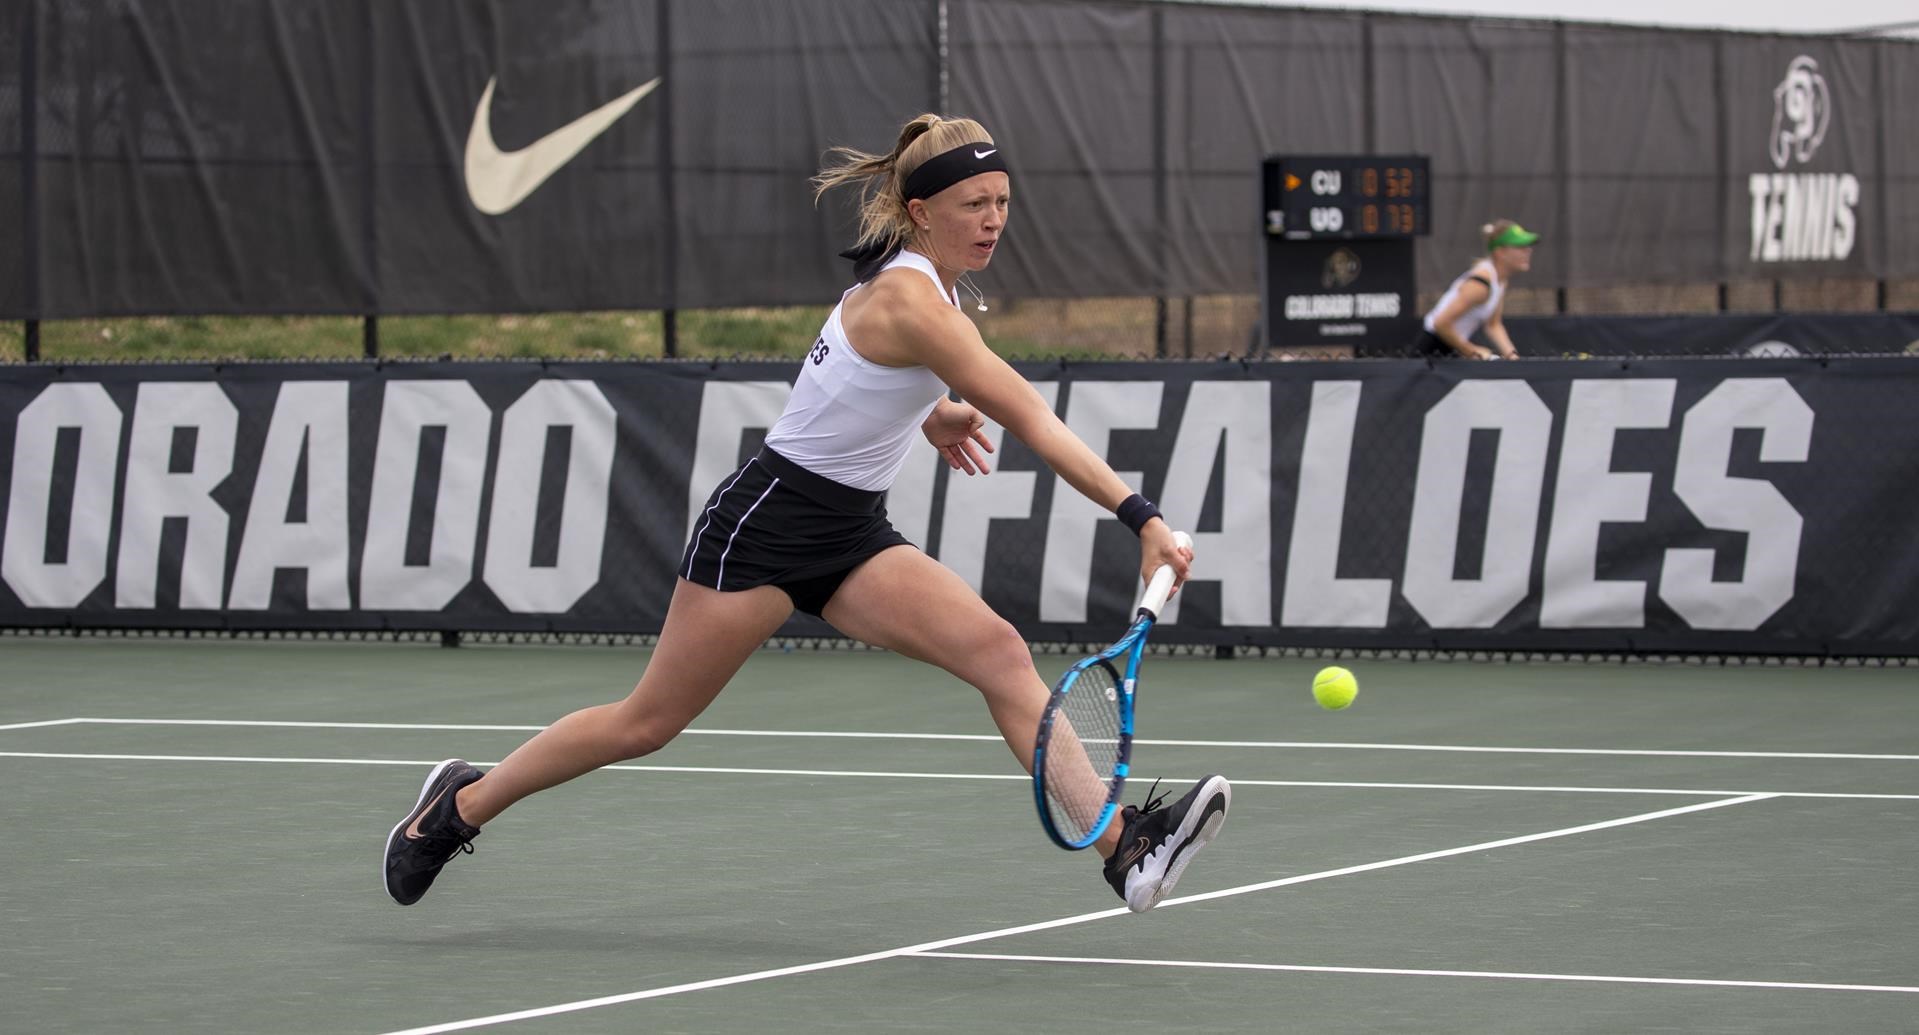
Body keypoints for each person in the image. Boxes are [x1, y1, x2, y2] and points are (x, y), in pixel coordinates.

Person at [383, 114, 1231, 915]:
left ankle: (1125, 849)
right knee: (646, 722)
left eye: (1002, 201)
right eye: (973, 204)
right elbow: (1032, 418)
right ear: (919, 211)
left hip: (850, 533)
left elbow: (849, 378)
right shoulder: (912, 303)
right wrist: (1141, 517)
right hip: (764, 528)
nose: (992, 220)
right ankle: (457, 806)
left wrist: (929, 412)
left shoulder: (923, 287)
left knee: (999, 653)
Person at [1412, 219, 1538, 360]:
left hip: (1450, 350)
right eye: (1520, 246)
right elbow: (1440, 323)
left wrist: (1512, 356)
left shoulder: (1501, 280)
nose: (1528, 250)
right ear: (1500, 252)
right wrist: (1472, 351)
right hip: (1430, 350)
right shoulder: (1480, 285)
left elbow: (1493, 324)